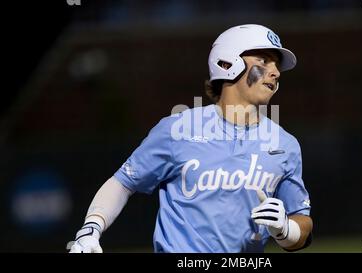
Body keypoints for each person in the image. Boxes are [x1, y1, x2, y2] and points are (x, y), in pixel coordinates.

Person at [67, 24, 313, 253]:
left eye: (277, 65)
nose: (276, 72)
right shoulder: (178, 129)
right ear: (228, 63)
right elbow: (123, 182)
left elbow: (302, 221)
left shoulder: (285, 144)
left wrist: (286, 230)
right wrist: (91, 230)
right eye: (264, 60)